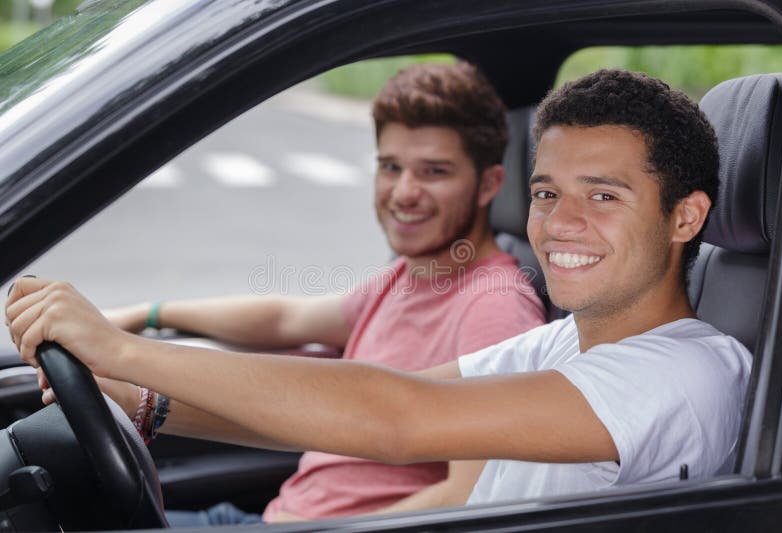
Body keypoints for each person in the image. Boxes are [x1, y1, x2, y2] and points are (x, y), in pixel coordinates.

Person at [6, 69, 752, 509]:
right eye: (549, 193)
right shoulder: (572, 340)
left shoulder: (681, 373)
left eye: (603, 196)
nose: (560, 224)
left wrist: (127, 348)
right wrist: (147, 401)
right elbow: (352, 407)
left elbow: (395, 415)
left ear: (685, 216)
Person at [73, 62, 547, 525]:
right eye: (390, 166)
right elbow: (284, 319)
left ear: (489, 184)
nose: (404, 192)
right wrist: (146, 314)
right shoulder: (408, 275)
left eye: (433, 172)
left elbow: (472, 498)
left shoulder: (496, 309)